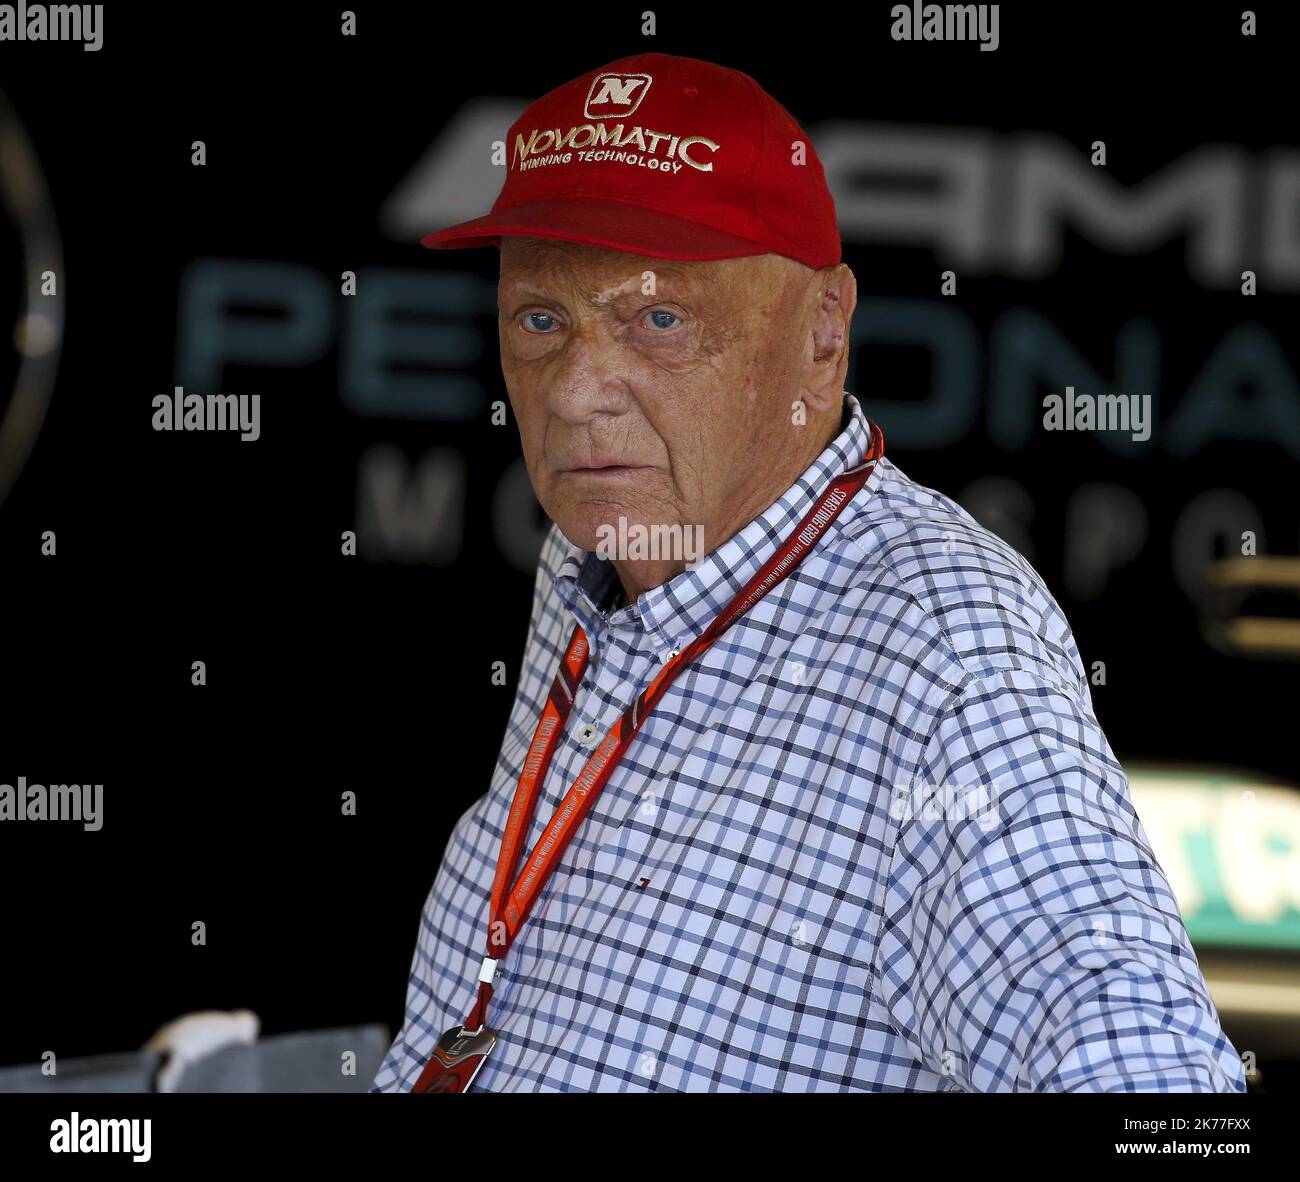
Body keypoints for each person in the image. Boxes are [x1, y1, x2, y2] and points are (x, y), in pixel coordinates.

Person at [371, 51, 1247, 1092]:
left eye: (658, 321)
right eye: (539, 321)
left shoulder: (941, 636)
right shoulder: (602, 556)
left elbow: (1145, 1076)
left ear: (823, 334)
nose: (575, 392)